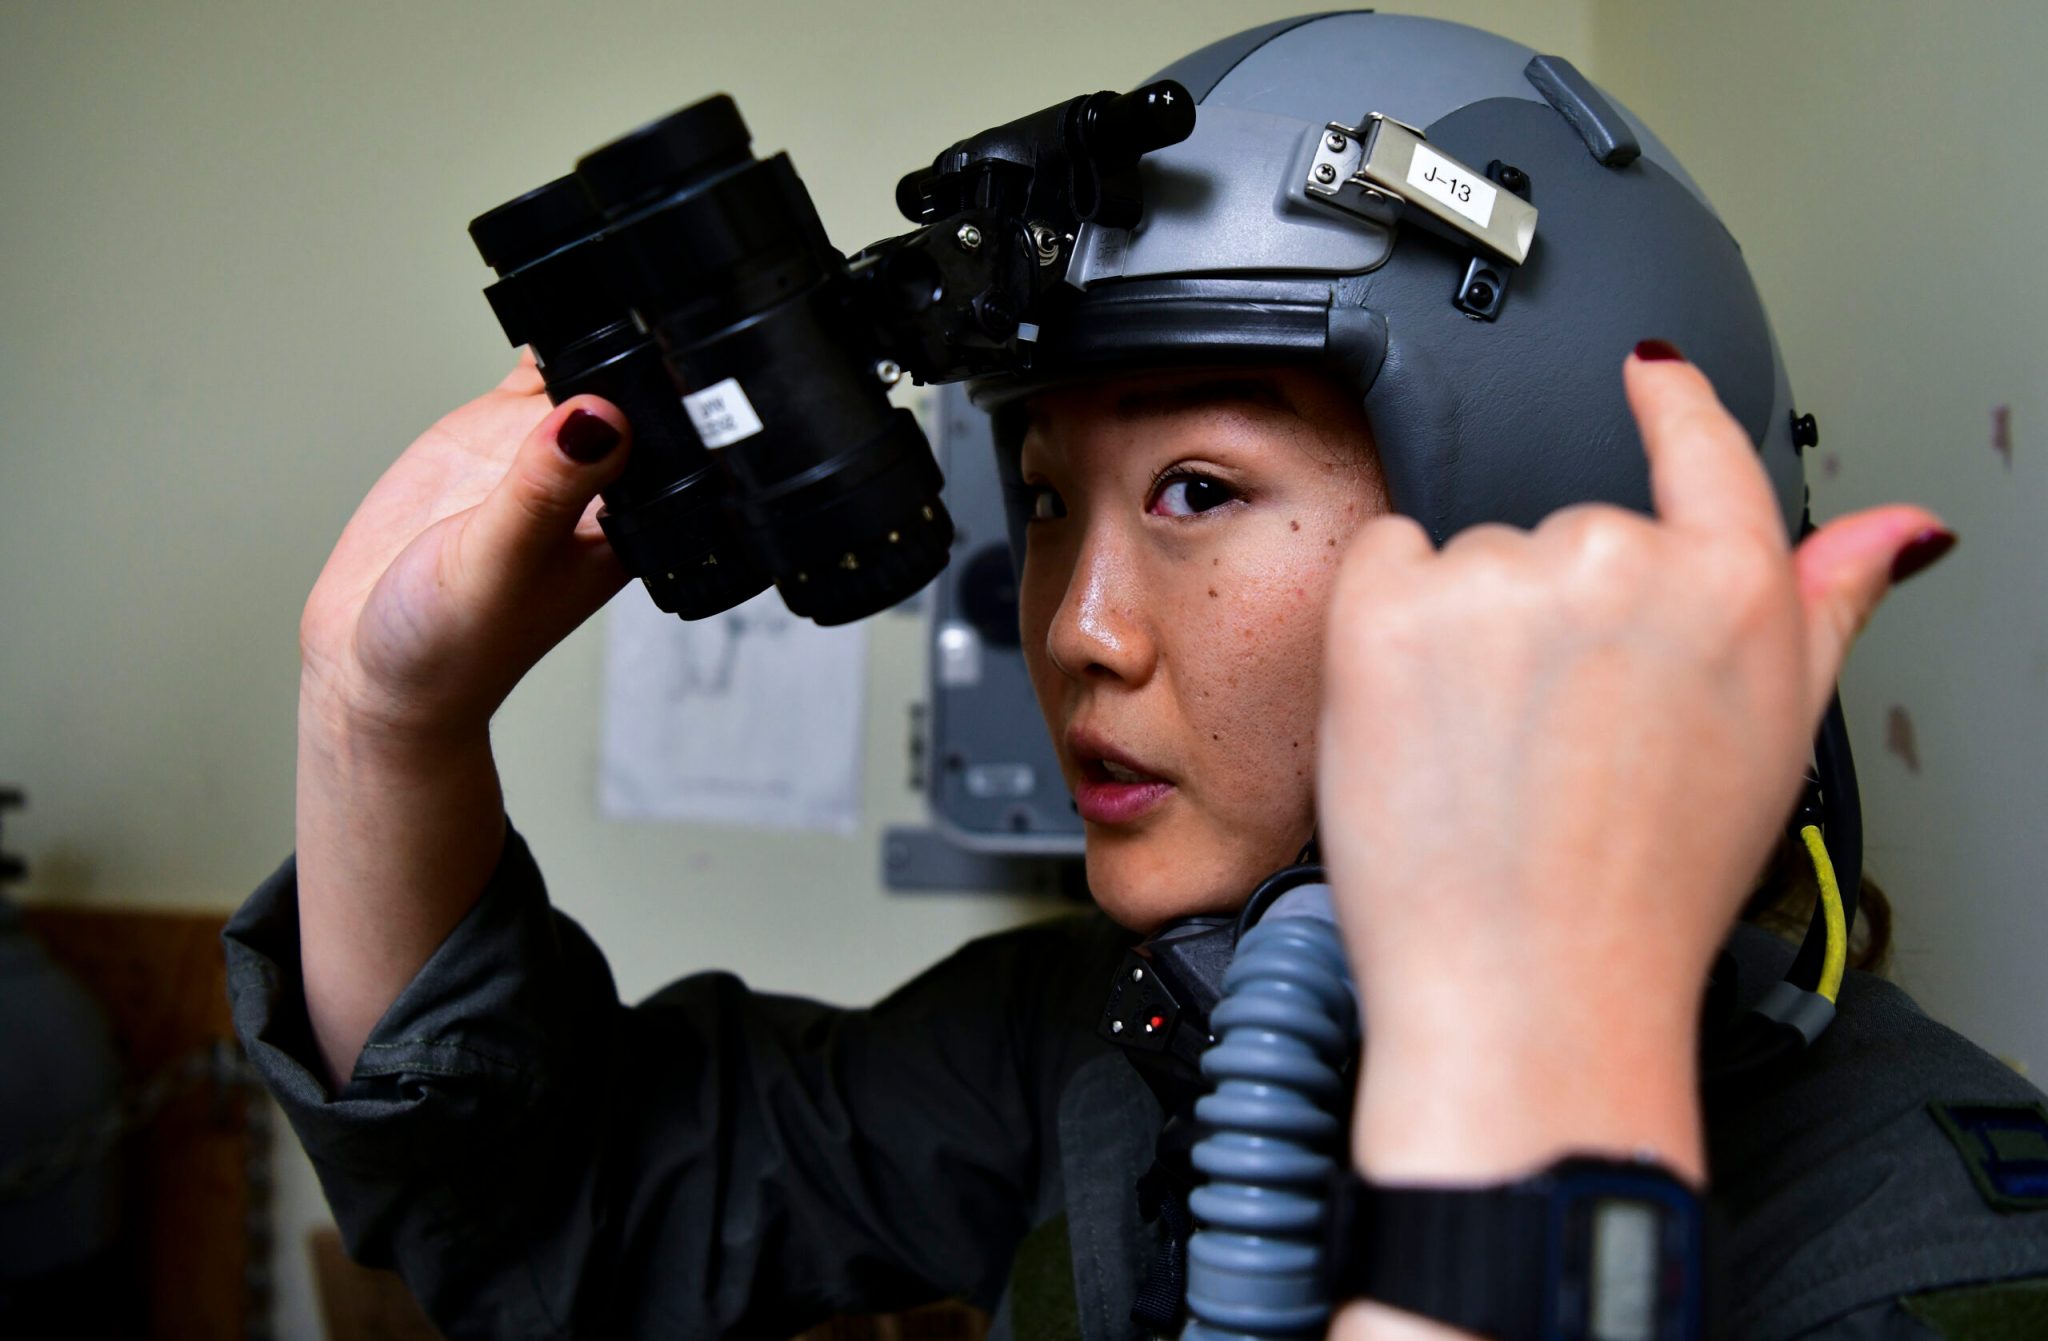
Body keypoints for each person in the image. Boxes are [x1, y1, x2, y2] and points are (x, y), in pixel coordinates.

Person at [225, 13, 2048, 1339]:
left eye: (1196, 489)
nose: (1077, 622)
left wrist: (1541, 1088)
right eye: (1040, 500)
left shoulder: (1938, 1249)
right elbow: (564, 1209)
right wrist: (375, 715)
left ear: (1551, 525)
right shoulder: (1101, 1052)